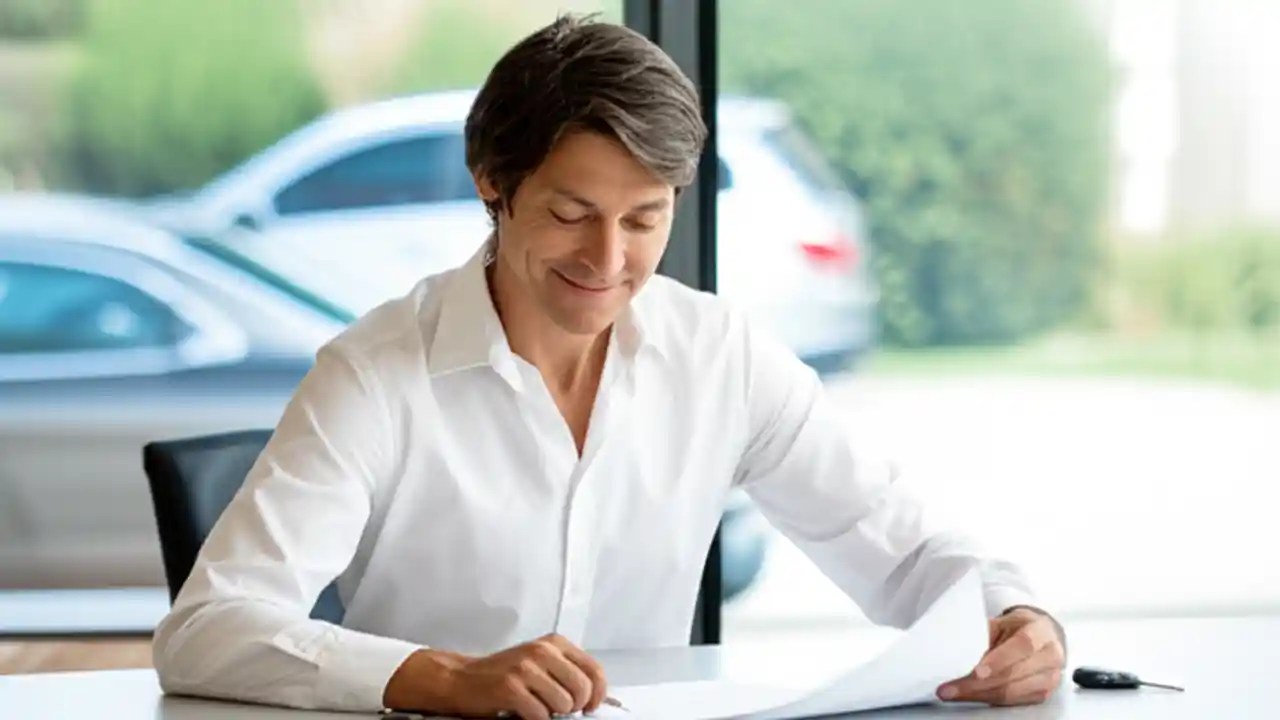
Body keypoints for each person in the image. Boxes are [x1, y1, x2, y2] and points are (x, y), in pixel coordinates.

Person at [153, 15, 1066, 719]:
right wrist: (447, 678)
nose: (608, 258)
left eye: (644, 219)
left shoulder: (721, 356)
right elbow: (208, 630)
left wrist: (1017, 616)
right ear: (492, 183)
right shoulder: (377, 374)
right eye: (570, 212)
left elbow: (901, 549)